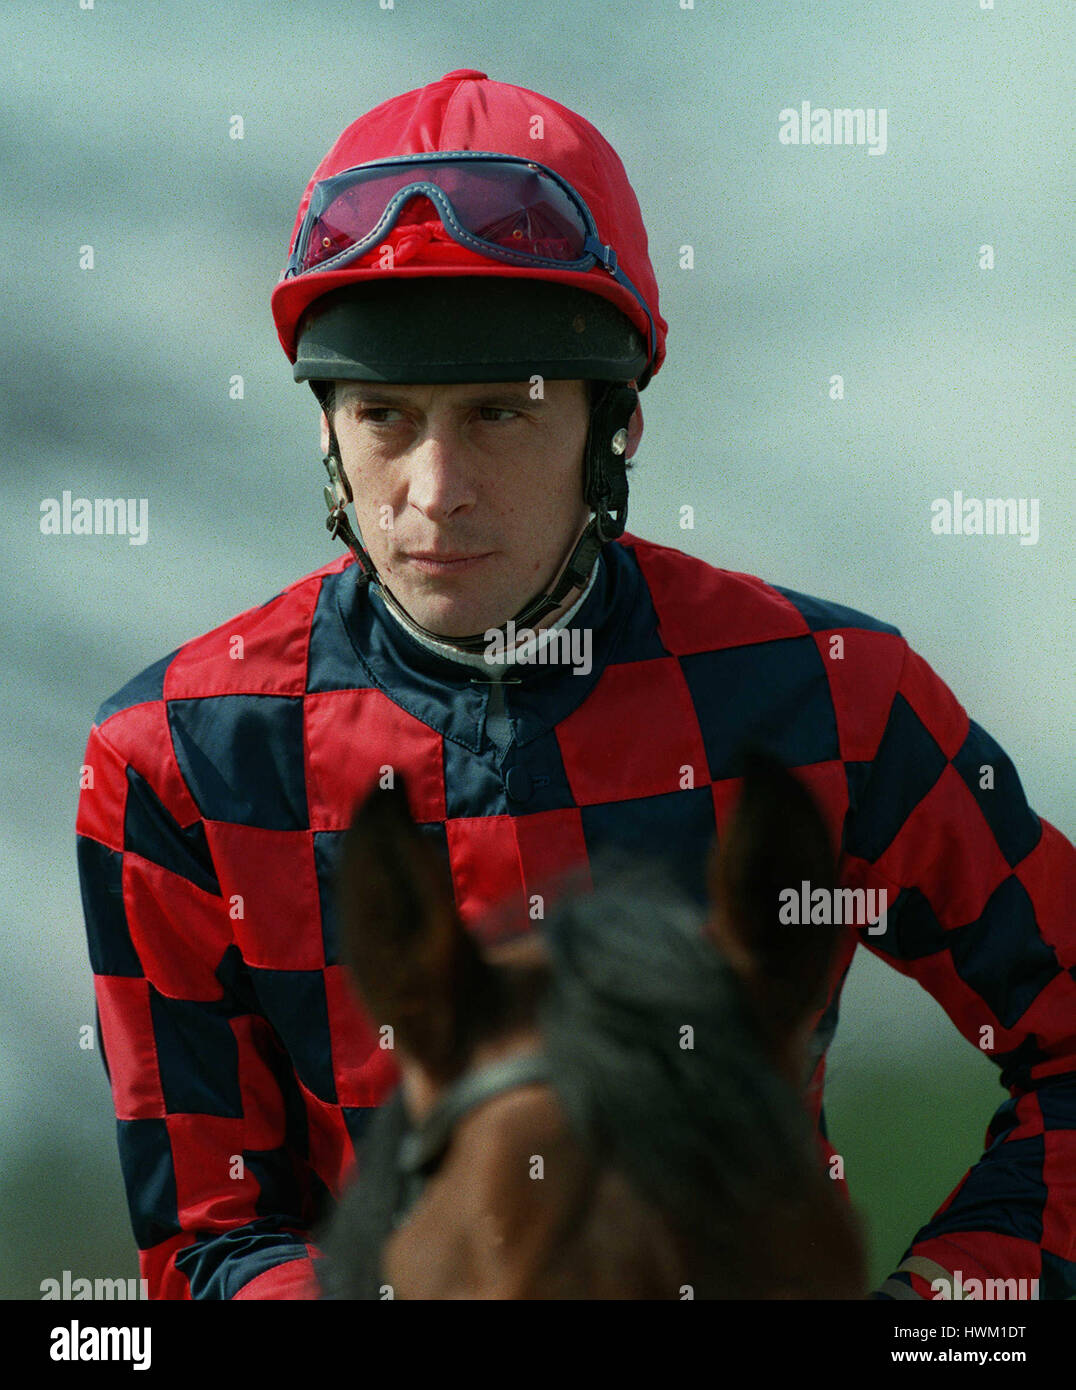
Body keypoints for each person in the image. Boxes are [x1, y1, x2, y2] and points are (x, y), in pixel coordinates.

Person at [76, 69, 1075, 1301]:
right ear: (326, 430)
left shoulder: (832, 696)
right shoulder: (171, 756)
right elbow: (206, 1231)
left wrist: (938, 1313)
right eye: (385, 415)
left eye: (499, 413)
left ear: (617, 427)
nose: (434, 490)